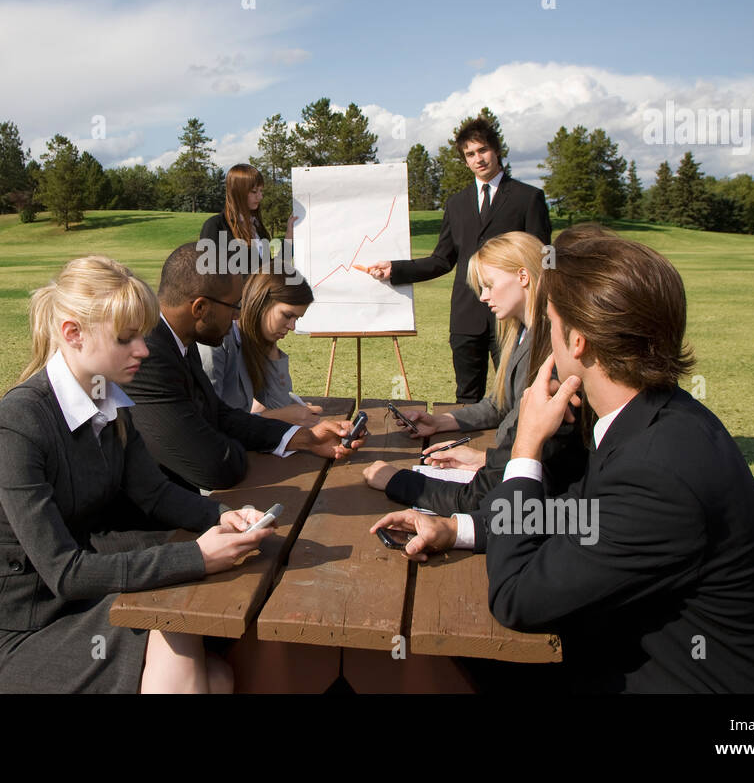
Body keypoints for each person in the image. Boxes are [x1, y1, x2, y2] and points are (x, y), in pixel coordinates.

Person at [372, 225, 754, 692]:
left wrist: (527, 450)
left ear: (577, 342)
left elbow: (517, 598)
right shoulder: (654, 417)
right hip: (635, 649)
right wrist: (458, 528)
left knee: (420, 663)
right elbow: (582, 514)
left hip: (667, 678)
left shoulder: (656, 471)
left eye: (550, 323)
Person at [0, 256, 277, 693]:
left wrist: (222, 516)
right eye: (126, 339)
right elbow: (63, 572)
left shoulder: (113, 403)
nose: (142, 349)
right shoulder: (18, 423)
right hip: (16, 628)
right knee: (177, 631)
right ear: (72, 334)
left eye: (142, 336)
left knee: (216, 677)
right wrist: (196, 557)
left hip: (81, 604)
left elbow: (156, 494)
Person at [362, 232, 585, 522]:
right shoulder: (522, 334)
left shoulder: (552, 357)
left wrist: (397, 481)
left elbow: (486, 497)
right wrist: (443, 422)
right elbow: (499, 404)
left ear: (523, 276)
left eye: (489, 285)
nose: (483, 297)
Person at [123, 242, 358, 494]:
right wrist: (235, 443)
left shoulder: (179, 340)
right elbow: (216, 466)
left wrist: (305, 438)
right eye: (234, 306)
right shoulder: (149, 355)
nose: (239, 315)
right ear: (200, 308)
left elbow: (219, 415)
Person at [365, 118, 551, 403]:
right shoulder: (456, 204)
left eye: (483, 150)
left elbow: (542, 258)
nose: (479, 159)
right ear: (465, 161)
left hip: (514, 317)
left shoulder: (529, 198)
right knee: (466, 398)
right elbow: (442, 260)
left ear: (497, 150)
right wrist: (395, 269)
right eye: (470, 154)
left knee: (519, 393)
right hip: (466, 317)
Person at [198, 269, 322, 427]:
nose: (292, 326)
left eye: (296, 318)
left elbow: (279, 404)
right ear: (262, 302)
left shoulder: (254, 342)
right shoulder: (217, 342)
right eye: (287, 315)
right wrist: (277, 416)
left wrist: (272, 350)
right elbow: (207, 420)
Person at [199, 163, 293, 271]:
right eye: (254, 191)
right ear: (237, 192)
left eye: (261, 191)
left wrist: (289, 234)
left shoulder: (258, 227)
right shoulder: (215, 226)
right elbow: (208, 276)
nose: (260, 196)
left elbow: (273, 272)